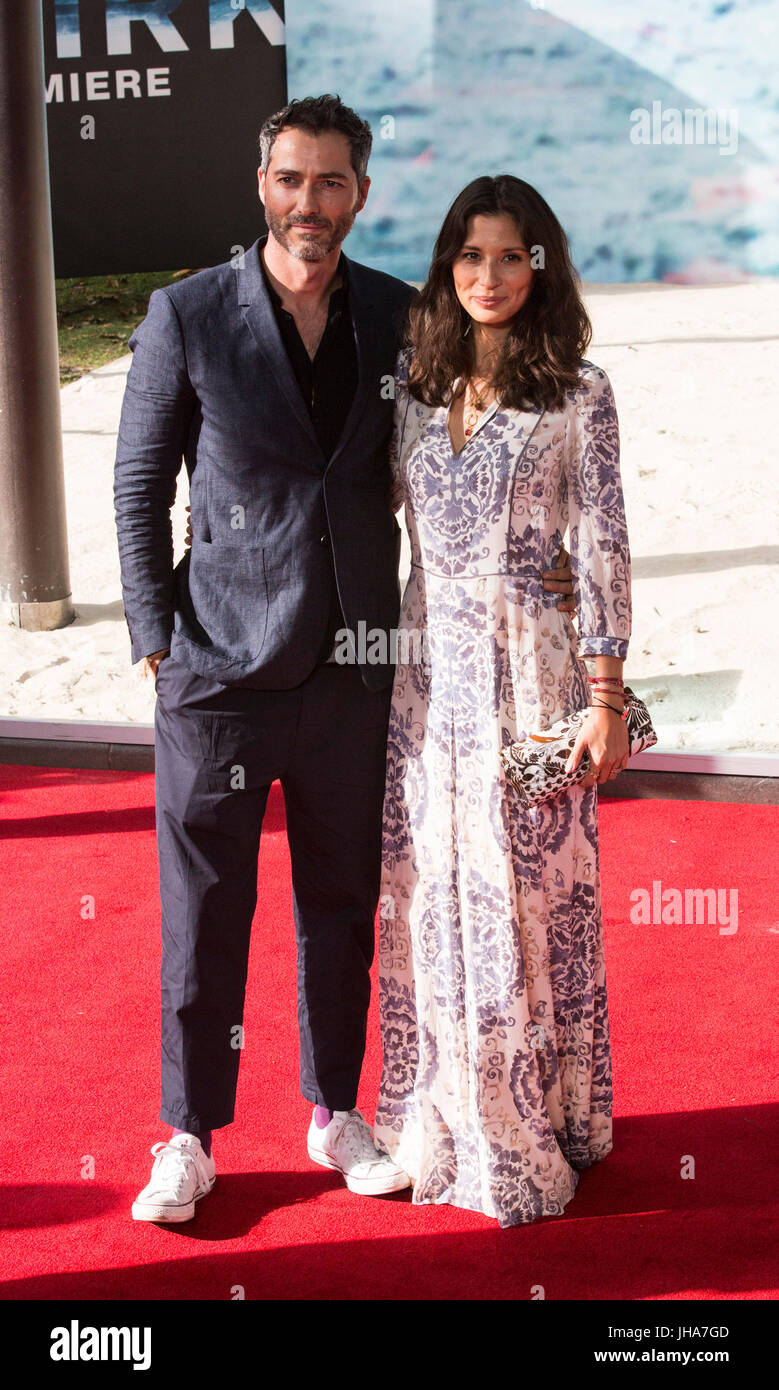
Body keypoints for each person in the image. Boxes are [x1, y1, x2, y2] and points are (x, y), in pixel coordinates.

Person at [114, 95, 575, 1224]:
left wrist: (543, 570)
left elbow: (472, 434)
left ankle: (332, 1109)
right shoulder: (186, 315)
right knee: (205, 909)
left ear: (360, 195)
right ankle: (188, 1135)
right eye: (289, 179)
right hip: (215, 673)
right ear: (259, 185)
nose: (308, 203)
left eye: (330, 183)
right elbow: (138, 485)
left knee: (340, 903)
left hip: (356, 668)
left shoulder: (394, 314)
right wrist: (151, 640)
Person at [373, 175, 632, 1227]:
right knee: (430, 897)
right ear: (445, 269)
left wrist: (605, 692)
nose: (489, 276)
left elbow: (603, 545)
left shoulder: (578, 391)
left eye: (512, 256)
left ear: (541, 267)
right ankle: (438, 1111)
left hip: (534, 684)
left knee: (532, 909)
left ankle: (539, 1119)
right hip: (425, 686)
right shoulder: (410, 386)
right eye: (469, 257)